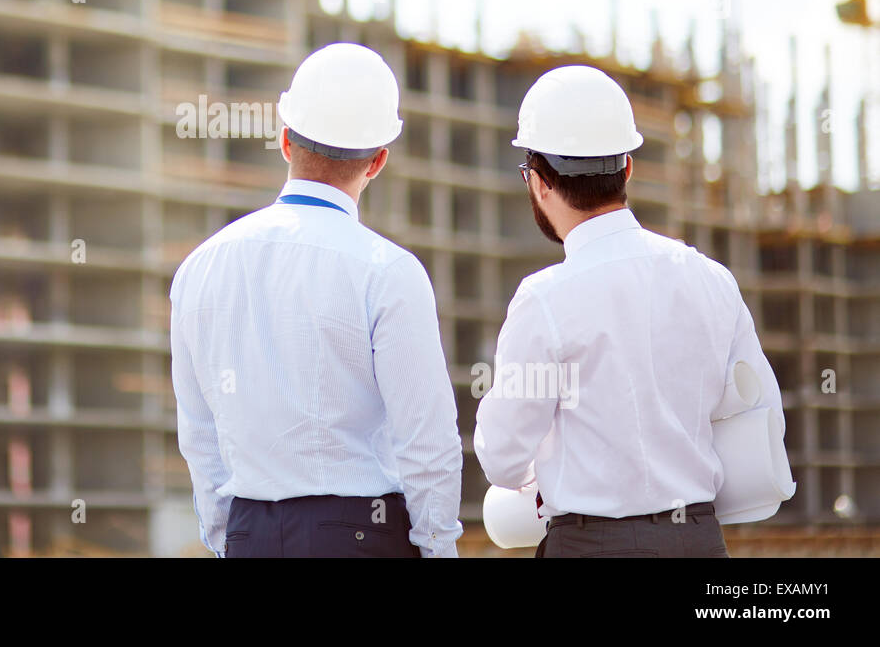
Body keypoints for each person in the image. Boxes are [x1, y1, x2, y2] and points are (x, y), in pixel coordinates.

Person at [474, 64, 785, 557]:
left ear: (536, 182)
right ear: (628, 168)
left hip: (591, 544)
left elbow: (503, 458)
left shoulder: (544, 300)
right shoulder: (711, 279)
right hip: (699, 542)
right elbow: (754, 409)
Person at [170, 42, 463, 557]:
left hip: (249, 532)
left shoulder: (200, 266)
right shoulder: (390, 272)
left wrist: (229, 539)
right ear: (378, 160)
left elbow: (200, 437)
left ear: (285, 140)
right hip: (360, 535)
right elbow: (428, 442)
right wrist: (437, 547)